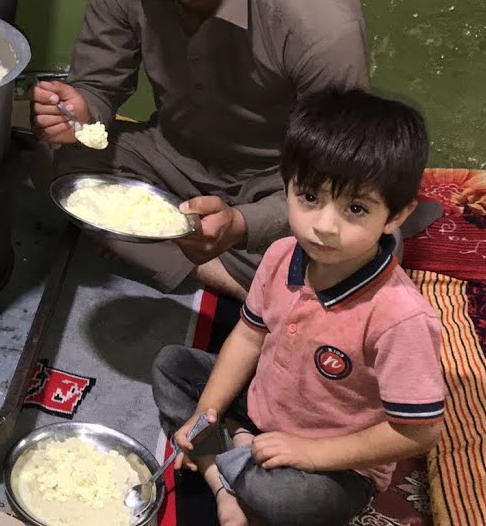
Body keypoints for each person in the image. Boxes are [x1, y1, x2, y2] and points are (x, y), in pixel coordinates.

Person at [30, 0, 369, 300]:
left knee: (352, 243)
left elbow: (343, 175)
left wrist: (243, 223)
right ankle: (232, 281)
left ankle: (174, 252)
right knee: (56, 163)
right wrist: (79, 112)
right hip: (175, 160)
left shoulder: (318, 19)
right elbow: (98, 89)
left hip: (285, 182)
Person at [150, 89, 444, 526]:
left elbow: (420, 431)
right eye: (309, 197)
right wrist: (205, 414)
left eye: (356, 208)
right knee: (172, 366)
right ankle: (223, 483)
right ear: (286, 185)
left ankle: (230, 466)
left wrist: (311, 453)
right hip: (262, 408)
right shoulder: (281, 254)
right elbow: (249, 336)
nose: (324, 226)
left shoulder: (400, 317)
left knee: (289, 503)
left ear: (397, 215)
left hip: (338, 460)